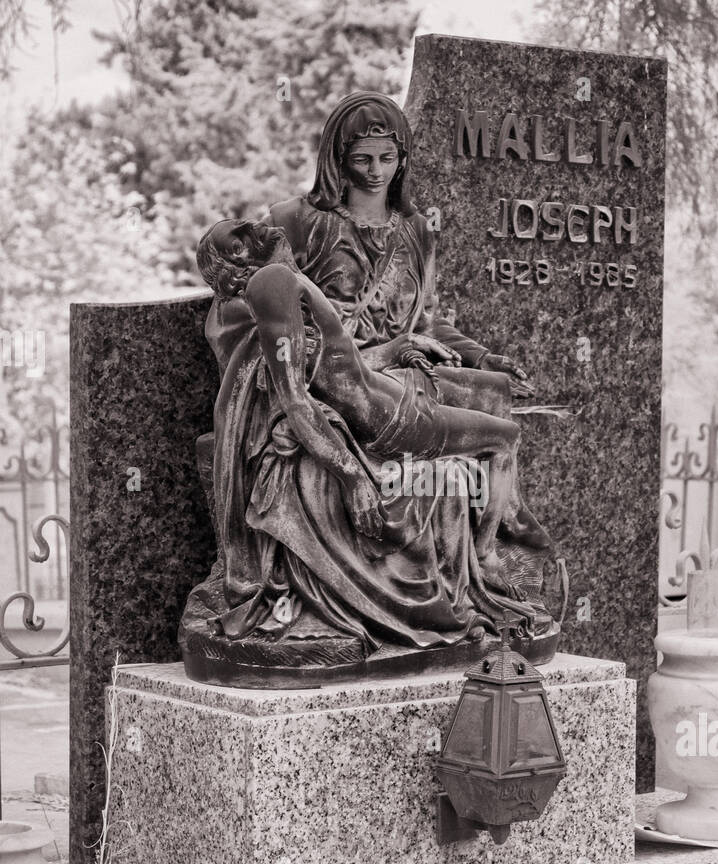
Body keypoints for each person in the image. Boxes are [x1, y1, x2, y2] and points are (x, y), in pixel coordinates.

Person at [180, 217, 555, 677]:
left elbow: (337, 366)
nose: (255, 228)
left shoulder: (283, 284)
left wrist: (396, 346)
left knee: (491, 388)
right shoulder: (271, 280)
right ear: (235, 270)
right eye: (238, 241)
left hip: (391, 393)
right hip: (396, 420)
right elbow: (297, 398)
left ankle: (490, 559)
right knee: (504, 437)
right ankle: (487, 562)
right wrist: (352, 475)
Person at [269, 91, 548, 547]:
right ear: (339, 159)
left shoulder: (416, 231)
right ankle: (494, 534)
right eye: (362, 159)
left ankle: (503, 521)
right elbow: (275, 314)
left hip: (407, 369)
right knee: (483, 419)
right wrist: (382, 351)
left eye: (387, 157)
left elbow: (426, 321)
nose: (376, 171)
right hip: (344, 375)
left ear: (402, 159)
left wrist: (481, 356)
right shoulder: (297, 222)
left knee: (495, 389)